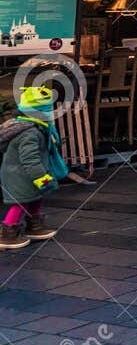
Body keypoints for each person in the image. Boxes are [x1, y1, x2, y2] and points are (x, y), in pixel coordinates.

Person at [0, 86, 68, 250]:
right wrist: (42, 178)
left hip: (26, 174)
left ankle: (34, 224)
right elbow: (30, 160)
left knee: (36, 196)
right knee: (20, 202)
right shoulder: (30, 133)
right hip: (21, 175)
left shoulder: (35, 129)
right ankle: (8, 232)